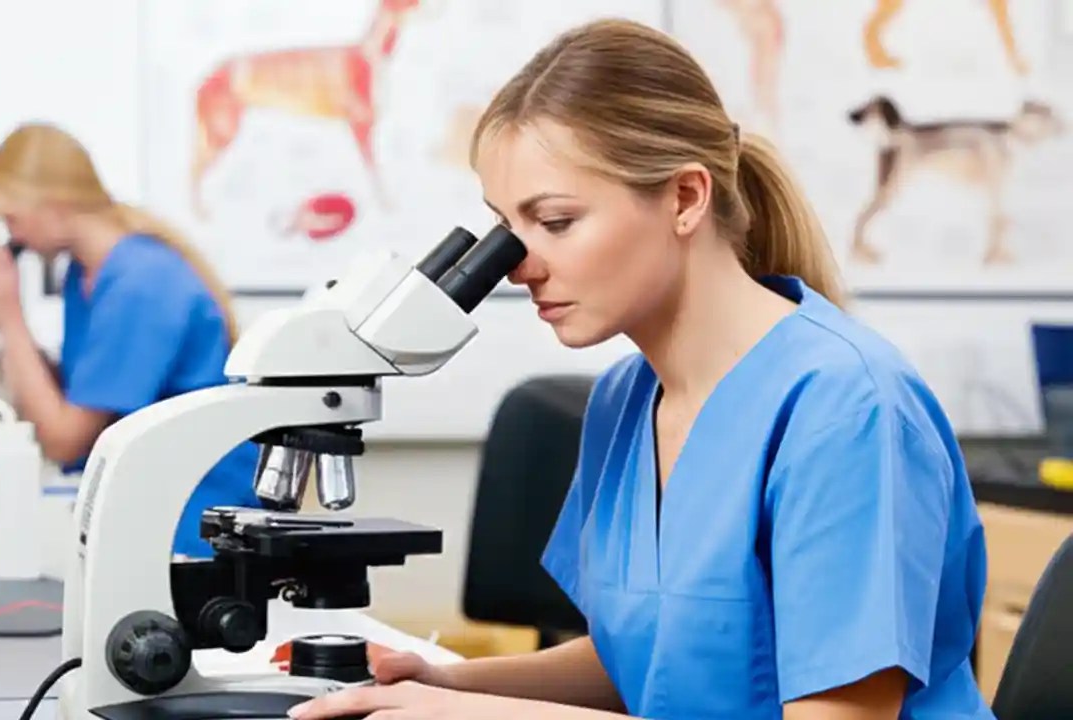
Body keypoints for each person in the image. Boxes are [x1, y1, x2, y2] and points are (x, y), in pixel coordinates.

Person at [290, 18, 993, 720]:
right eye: (508, 229)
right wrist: (451, 684)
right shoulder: (626, 401)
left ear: (685, 198)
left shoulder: (845, 409)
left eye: (556, 222)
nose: (517, 268)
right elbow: (650, 656)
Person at [0, 122, 260, 558]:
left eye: (13, 218)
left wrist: (8, 316)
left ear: (52, 204)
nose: (15, 237)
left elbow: (65, 437)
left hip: (189, 528)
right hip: (143, 508)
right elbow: (83, 399)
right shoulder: (86, 276)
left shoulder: (140, 284)